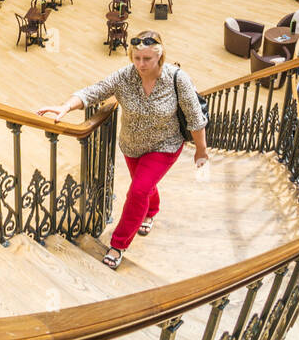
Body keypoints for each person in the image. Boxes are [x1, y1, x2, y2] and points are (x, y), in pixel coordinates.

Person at [38, 33, 208, 270]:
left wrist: (201, 150)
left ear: (160, 56)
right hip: (132, 145)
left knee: (138, 191)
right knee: (144, 186)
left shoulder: (178, 80)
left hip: (165, 145)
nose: (141, 64)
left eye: (147, 58)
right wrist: (65, 106)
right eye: (136, 58)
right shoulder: (125, 77)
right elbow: (95, 91)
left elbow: (195, 119)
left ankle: (118, 244)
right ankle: (152, 210)